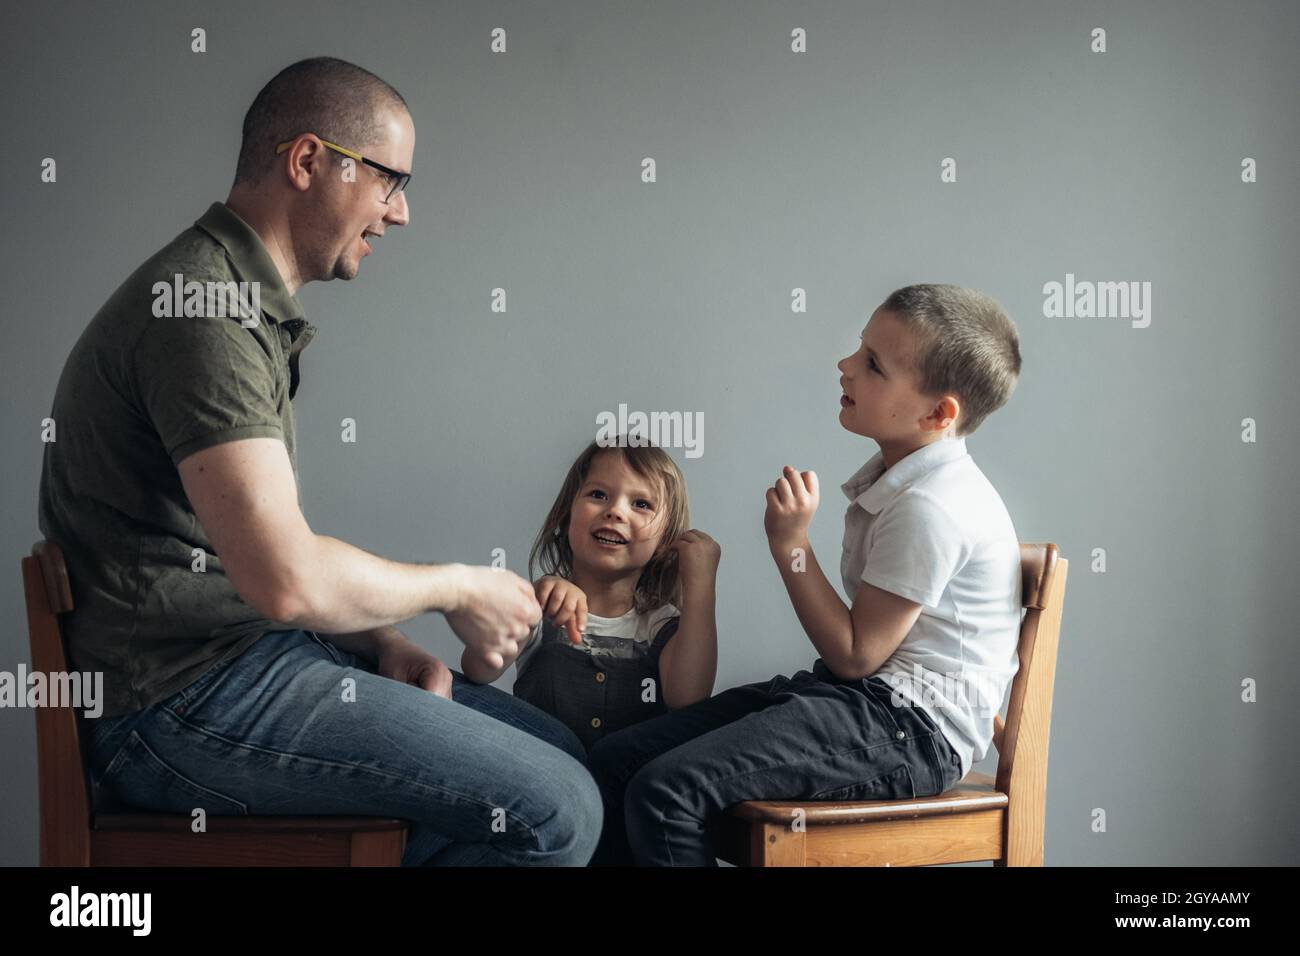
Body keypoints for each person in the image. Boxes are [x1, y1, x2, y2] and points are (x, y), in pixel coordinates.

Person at [37, 56, 602, 866]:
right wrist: (458, 588)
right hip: (174, 705)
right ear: (308, 162)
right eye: (387, 180)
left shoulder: (236, 298)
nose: (399, 213)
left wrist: (380, 642)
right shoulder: (208, 312)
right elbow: (286, 577)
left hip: (247, 657)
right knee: (558, 807)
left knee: (563, 757)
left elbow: (253, 557)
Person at [585, 284, 1025, 865]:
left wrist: (789, 544)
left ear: (938, 412)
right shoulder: (908, 486)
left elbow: (855, 653)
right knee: (616, 763)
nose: (844, 366)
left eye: (872, 364)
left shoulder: (933, 506)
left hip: (911, 732)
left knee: (666, 795)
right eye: (858, 349)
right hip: (858, 702)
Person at [462, 438, 720, 755]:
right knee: (448, 687)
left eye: (641, 504)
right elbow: (476, 669)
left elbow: (689, 699)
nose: (615, 511)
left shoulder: (658, 624)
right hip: (543, 775)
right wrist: (527, 607)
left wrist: (702, 586)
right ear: (566, 518)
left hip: (626, 785)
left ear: (666, 540)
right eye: (598, 495)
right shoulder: (541, 608)